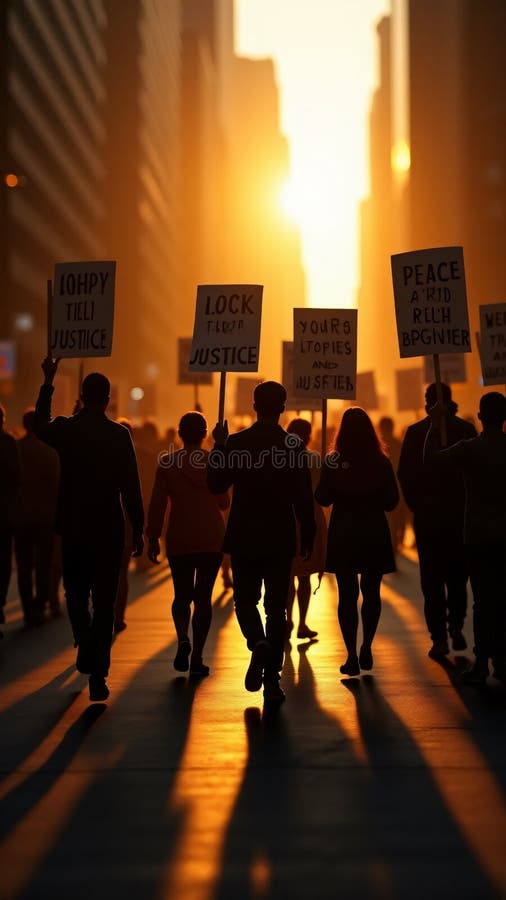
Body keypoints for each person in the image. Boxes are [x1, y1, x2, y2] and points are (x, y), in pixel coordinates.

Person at [34, 357, 144, 702]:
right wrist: (138, 528)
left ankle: (83, 638)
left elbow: (39, 426)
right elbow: (131, 485)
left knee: (76, 593)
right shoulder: (119, 435)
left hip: (74, 526)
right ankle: (98, 673)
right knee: (105, 600)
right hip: (108, 527)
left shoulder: (67, 430)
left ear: (81, 397)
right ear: (108, 400)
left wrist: (48, 382)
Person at [207, 381, 316, 704]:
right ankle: (272, 680)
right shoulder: (293, 447)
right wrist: (308, 534)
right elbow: (303, 497)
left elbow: (216, 483)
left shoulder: (237, 443)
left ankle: (258, 643)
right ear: (282, 408)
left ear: (254, 406)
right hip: (280, 536)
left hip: (245, 536)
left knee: (245, 601)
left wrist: (219, 447)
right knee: (276, 609)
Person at [424, 391, 506, 683]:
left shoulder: (470, 448)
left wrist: (434, 425)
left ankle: (482, 661)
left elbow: (431, 460)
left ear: (481, 417)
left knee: (483, 601)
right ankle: (502, 660)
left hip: (478, 534)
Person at [315, 407, 399, 676]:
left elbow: (322, 498)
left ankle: (350, 653)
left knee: (347, 595)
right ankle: (367, 645)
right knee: (372, 592)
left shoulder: (333, 461)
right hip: (373, 531)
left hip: (344, 532)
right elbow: (392, 502)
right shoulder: (381, 462)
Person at [397, 383, 477, 659]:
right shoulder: (466, 430)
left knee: (432, 581)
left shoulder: (418, 432)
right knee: (458, 577)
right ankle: (454, 625)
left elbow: (404, 474)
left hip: (431, 518)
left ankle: (440, 636)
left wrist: (416, 506)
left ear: (428, 402)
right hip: (456, 517)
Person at [147, 412, 229, 676]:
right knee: (203, 598)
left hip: (179, 537)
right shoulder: (214, 462)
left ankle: (183, 637)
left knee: (182, 595)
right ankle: (197, 658)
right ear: (205, 434)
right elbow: (224, 502)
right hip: (210, 538)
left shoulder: (167, 463)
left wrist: (152, 536)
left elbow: (158, 503)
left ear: (180, 433)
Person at [14, 409, 60, 627]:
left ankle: (28, 608)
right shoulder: (49, 451)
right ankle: (40, 605)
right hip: (46, 516)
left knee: (24, 566)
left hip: (21, 516)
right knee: (43, 563)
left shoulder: (17, 448)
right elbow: (57, 483)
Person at [285, 418, 327, 640]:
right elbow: (323, 492)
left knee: (287, 575)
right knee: (304, 576)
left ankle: (288, 620)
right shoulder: (315, 459)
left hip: (287, 516)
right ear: (308, 437)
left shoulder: (280, 458)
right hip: (310, 516)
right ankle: (301, 623)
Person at [0, 402, 20, 629]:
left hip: (6, 513)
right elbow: (17, 478)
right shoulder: (8, 443)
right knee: (4, 561)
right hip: (5, 514)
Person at [377, 415, 408, 558]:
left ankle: (391, 544)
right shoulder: (398, 444)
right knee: (395, 518)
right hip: (397, 487)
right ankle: (394, 543)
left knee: (389, 518)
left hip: (383, 487)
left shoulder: (377, 446)